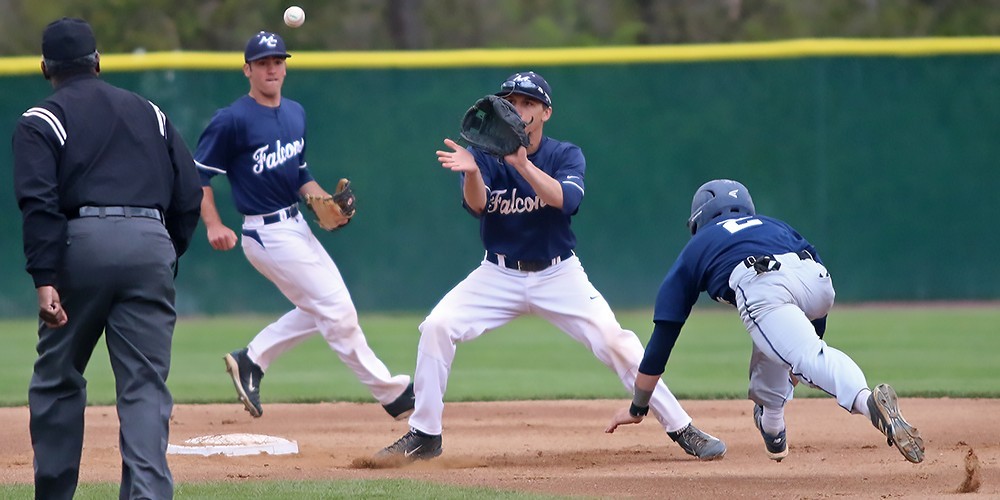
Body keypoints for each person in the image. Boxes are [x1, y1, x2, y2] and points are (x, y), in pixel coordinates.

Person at [377, 71, 726, 462]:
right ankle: (425, 434)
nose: (517, 109)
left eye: (528, 102)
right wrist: (472, 172)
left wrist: (522, 165)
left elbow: (567, 200)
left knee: (615, 340)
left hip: (559, 274)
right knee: (437, 327)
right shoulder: (484, 156)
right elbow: (477, 206)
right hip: (497, 274)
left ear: (546, 112)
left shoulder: (565, 155)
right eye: (511, 102)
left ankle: (682, 426)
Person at [11, 17, 203, 499]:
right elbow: (188, 194)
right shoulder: (150, 113)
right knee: (144, 386)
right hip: (150, 243)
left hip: (81, 247)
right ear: (97, 62)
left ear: (45, 68)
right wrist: (164, 249)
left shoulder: (41, 119)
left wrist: (44, 276)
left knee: (58, 378)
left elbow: (39, 203)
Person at [606, 179, 925, 464]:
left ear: (700, 219)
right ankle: (772, 425)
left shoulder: (697, 248)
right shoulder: (773, 225)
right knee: (783, 345)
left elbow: (662, 340)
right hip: (816, 278)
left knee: (806, 355)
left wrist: (638, 407)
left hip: (760, 281)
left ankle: (868, 403)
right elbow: (816, 304)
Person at [194, 31, 414, 421]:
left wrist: (328, 204)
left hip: (296, 225)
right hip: (265, 232)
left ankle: (251, 360)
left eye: (277, 62)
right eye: (263, 63)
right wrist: (213, 224)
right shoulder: (232, 120)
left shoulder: (295, 113)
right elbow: (199, 176)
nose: (271, 69)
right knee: (338, 310)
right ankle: (393, 394)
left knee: (323, 308)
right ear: (247, 70)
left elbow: (301, 175)